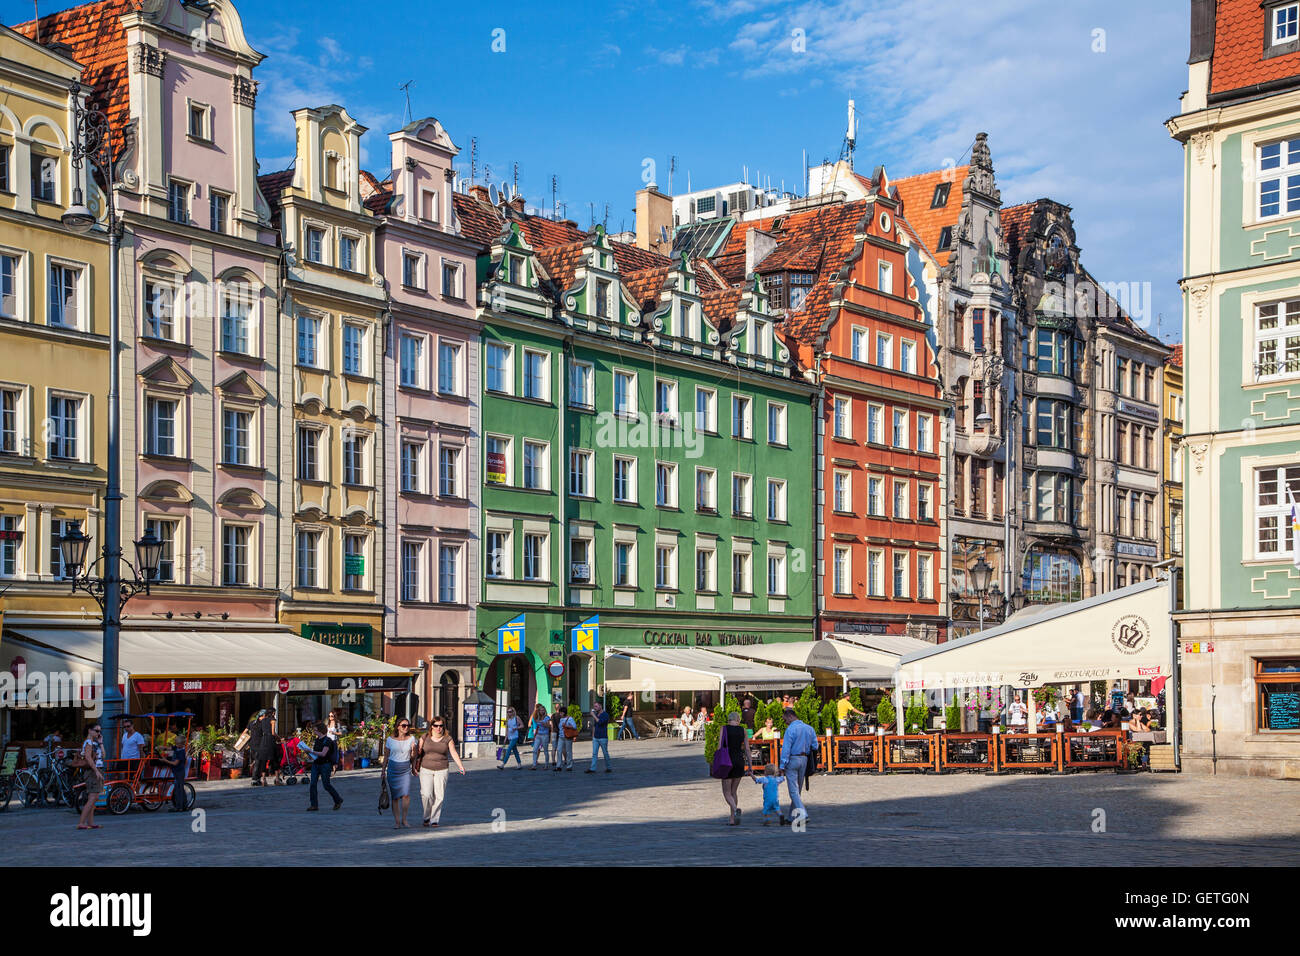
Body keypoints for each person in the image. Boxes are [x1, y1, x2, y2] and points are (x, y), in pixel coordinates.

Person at [414, 716, 465, 827]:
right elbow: (418, 753)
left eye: (440, 726)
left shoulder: (447, 739)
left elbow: (453, 752)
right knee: (426, 794)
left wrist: (460, 766)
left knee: (439, 795)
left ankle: (434, 819)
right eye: (436, 725)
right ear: (431, 726)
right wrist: (413, 765)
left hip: (442, 769)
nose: (438, 728)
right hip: (426, 768)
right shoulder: (425, 737)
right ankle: (426, 816)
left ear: (443, 727)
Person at [778, 706, 817, 826]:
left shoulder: (790, 729)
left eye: (785, 720)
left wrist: (782, 764)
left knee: (793, 791)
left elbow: (786, 748)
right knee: (797, 790)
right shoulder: (809, 728)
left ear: (790, 716)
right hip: (804, 758)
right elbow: (815, 746)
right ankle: (791, 817)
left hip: (793, 759)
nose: (785, 723)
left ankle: (803, 814)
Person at [717, 711, 753, 825]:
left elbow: (719, 746)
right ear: (738, 719)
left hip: (727, 761)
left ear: (729, 719)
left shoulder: (724, 728)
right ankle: (732, 819)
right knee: (734, 792)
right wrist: (750, 765)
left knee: (726, 792)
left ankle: (735, 808)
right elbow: (747, 749)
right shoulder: (743, 730)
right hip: (739, 761)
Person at [384, 718, 417, 828]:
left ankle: (404, 819)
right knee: (395, 797)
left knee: (406, 795)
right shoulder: (390, 739)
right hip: (393, 769)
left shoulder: (412, 739)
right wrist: (383, 771)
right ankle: (397, 821)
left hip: (405, 769)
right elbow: (386, 756)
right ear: (398, 726)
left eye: (408, 725)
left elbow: (414, 757)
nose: (406, 727)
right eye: (403, 725)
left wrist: (413, 751)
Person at [306, 721, 343, 812]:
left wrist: (311, 751)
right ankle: (314, 805)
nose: (314, 732)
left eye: (315, 730)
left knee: (326, 785)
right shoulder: (317, 740)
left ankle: (338, 799)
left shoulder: (328, 741)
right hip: (316, 764)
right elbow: (315, 755)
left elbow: (323, 753)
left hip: (325, 765)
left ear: (320, 731)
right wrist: (308, 753)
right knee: (313, 784)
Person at [76, 723, 106, 830]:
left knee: (94, 798)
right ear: (89, 730)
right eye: (96, 731)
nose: (98, 733)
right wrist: (96, 771)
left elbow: (103, 755)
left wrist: (101, 743)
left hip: (97, 770)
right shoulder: (88, 742)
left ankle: (90, 822)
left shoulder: (95, 743)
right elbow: (88, 758)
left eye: (100, 731)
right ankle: (81, 822)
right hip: (93, 772)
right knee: (93, 797)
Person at [157, 736, 189, 812]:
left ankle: (179, 807)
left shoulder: (181, 752)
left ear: (182, 744)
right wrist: (161, 748)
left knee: (178, 790)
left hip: (179, 772)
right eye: (176, 743)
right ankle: (184, 805)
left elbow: (175, 763)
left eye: (177, 744)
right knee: (180, 789)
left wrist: (165, 760)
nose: (176, 745)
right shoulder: (177, 748)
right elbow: (170, 748)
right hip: (176, 771)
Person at [249, 709, 276, 786]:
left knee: (255, 761)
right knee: (258, 762)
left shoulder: (252, 722)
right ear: (263, 716)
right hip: (259, 744)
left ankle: (257, 778)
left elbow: (245, 732)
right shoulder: (262, 723)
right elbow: (268, 732)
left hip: (252, 744)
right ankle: (255, 779)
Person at [585, 701, 613, 773]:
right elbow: (595, 725)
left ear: (600, 706)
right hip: (596, 737)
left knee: (605, 753)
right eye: (594, 707)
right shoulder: (596, 714)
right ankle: (592, 768)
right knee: (594, 754)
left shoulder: (605, 715)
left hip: (603, 737)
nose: (595, 708)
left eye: (596, 706)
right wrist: (593, 736)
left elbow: (600, 722)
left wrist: (593, 715)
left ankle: (608, 767)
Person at [530, 704, 551, 770]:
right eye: (540, 710)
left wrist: (544, 724)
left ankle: (546, 765)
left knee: (545, 751)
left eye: (543, 710)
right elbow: (537, 727)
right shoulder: (537, 718)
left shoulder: (547, 717)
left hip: (545, 735)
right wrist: (535, 735)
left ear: (545, 711)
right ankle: (534, 765)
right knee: (534, 750)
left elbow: (549, 726)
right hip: (538, 735)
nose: (542, 711)